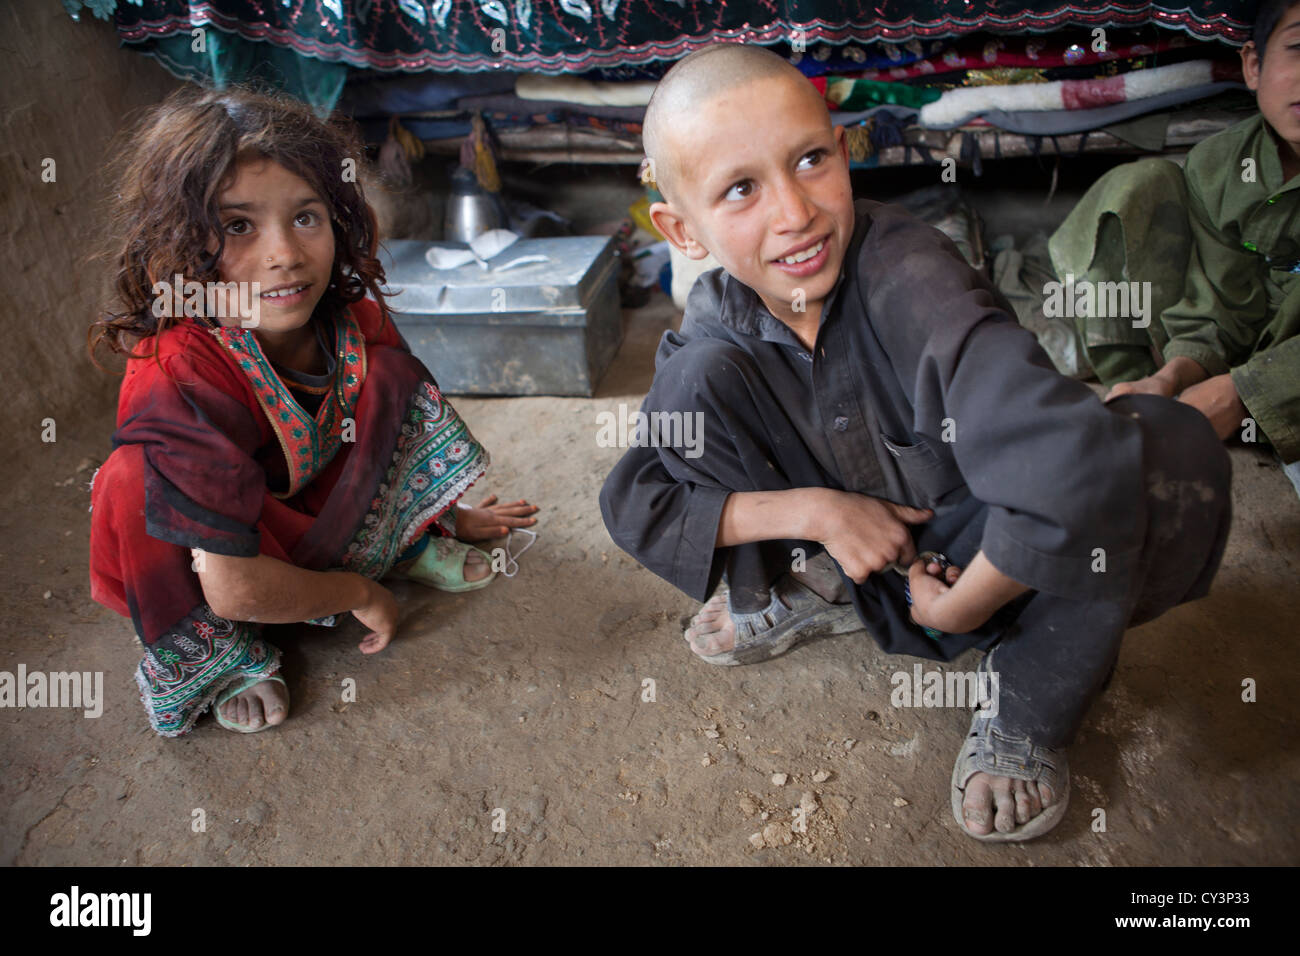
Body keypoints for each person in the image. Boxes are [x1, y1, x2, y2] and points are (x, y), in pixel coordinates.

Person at [600, 44, 1232, 841]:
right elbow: (637, 497)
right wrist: (823, 513)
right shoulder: (715, 321)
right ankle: (805, 587)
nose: (795, 213)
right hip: (863, 552)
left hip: (982, 555)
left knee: (1159, 460)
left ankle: (1026, 703)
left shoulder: (911, 277)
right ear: (680, 230)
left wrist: (963, 602)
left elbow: (1073, 468)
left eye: (809, 159)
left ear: (843, 149)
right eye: (740, 189)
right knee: (695, 386)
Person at [88, 85, 537, 737]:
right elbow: (233, 586)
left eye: (306, 216)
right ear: (181, 245)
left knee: (386, 372)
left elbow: (387, 438)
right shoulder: (177, 367)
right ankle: (223, 658)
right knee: (133, 481)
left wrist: (446, 514)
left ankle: (407, 540)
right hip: (225, 566)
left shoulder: (352, 320)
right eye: (238, 226)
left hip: (294, 518)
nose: (285, 255)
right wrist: (359, 594)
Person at [1049, 0, 1300, 494]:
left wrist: (1244, 393)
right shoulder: (1221, 165)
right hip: (1243, 360)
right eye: (1298, 49)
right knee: (1137, 187)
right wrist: (1170, 377)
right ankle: (1140, 381)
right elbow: (1223, 305)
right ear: (1254, 65)